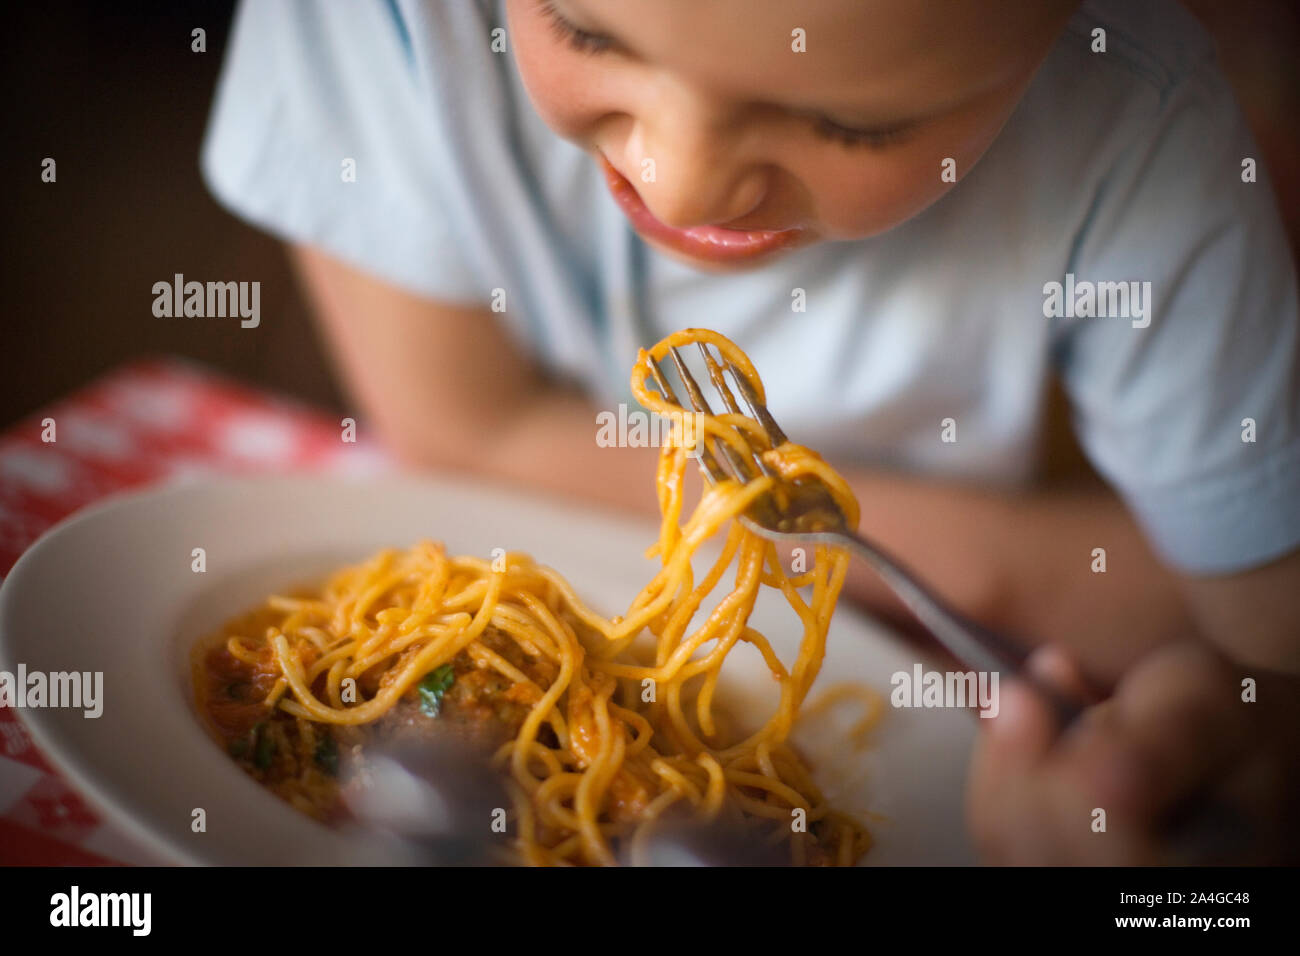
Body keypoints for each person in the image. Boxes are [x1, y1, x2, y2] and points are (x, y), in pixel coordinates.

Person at [201, 0, 1300, 863]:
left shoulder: (1140, 125)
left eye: (850, 121)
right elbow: (456, 423)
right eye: (583, 29)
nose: (678, 179)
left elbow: (1266, 637)